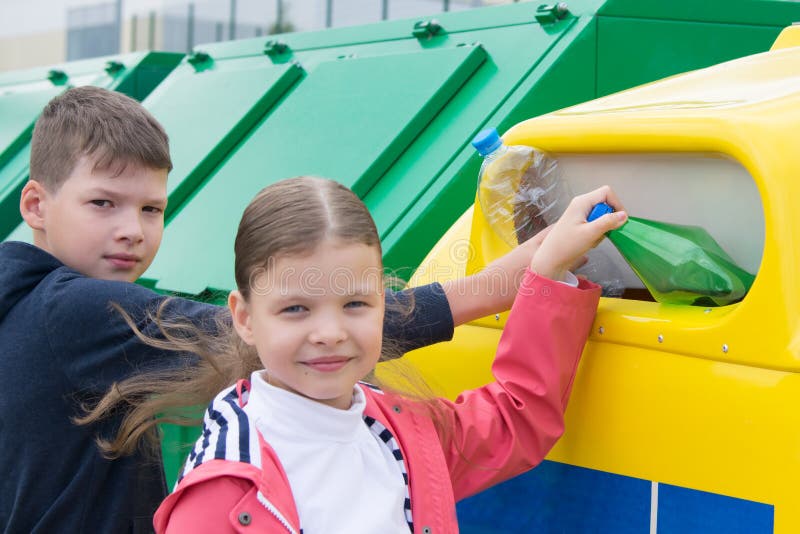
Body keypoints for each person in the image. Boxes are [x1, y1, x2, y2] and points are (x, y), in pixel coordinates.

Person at [0, 87, 557, 534]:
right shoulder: (71, 308)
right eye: (103, 203)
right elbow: (245, 338)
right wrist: (499, 285)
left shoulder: (17, 301)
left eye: (152, 209)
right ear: (36, 204)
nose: (132, 230)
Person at [79, 176, 626, 533]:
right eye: (296, 309)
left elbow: (516, 418)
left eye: (355, 304)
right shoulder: (219, 495)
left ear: (384, 305)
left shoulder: (403, 432)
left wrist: (549, 271)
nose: (330, 333)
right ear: (245, 317)